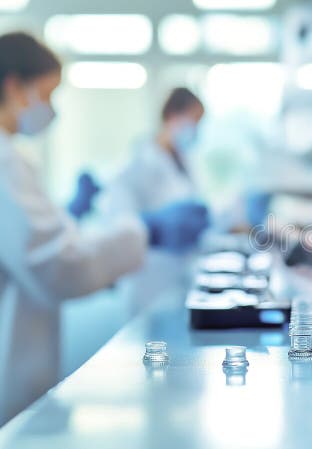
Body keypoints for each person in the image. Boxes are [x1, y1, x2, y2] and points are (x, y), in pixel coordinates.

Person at [0, 32, 209, 425]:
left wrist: (70, 216)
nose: (51, 108)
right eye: (46, 94)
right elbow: (59, 266)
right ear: (14, 86)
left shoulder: (12, 158)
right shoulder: (5, 161)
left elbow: (38, 246)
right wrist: (148, 231)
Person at [99, 87, 208, 313]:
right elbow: (116, 224)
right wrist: (152, 227)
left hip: (181, 277)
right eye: (193, 121)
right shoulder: (137, 164)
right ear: (172, 116)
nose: (196, 130)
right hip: (148, 281)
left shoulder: (184, 161)